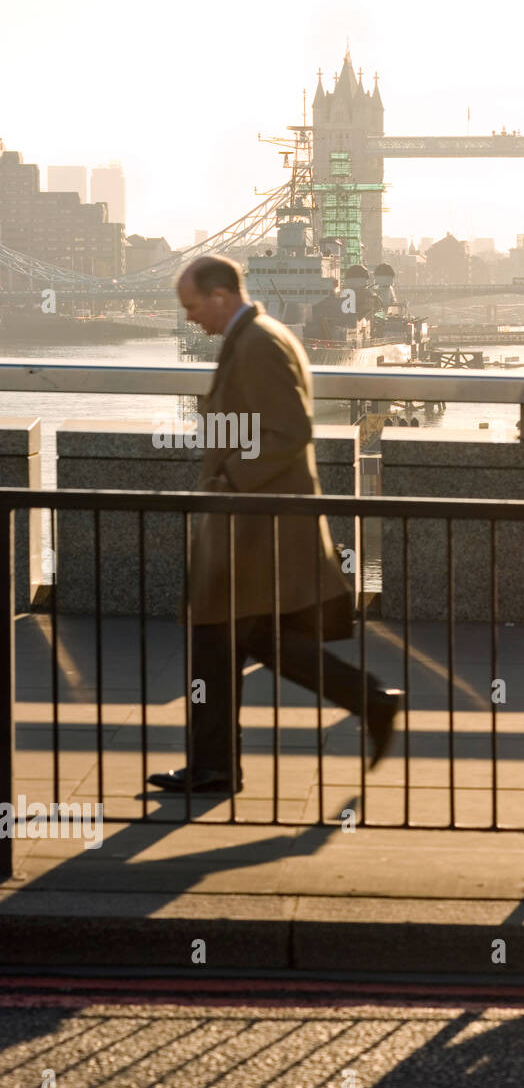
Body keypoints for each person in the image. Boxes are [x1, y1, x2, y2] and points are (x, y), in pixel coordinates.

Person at [148, 255, 403, 795]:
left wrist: (228, 482)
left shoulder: (260, 343)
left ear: (221, 295)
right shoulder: (259, 335)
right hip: (251, 520)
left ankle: (220, 762)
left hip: (253, 524)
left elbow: (288, 432)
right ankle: (219, 761)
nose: (190, 319)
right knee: (238, 640)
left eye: (193, 307)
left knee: (222, 636)